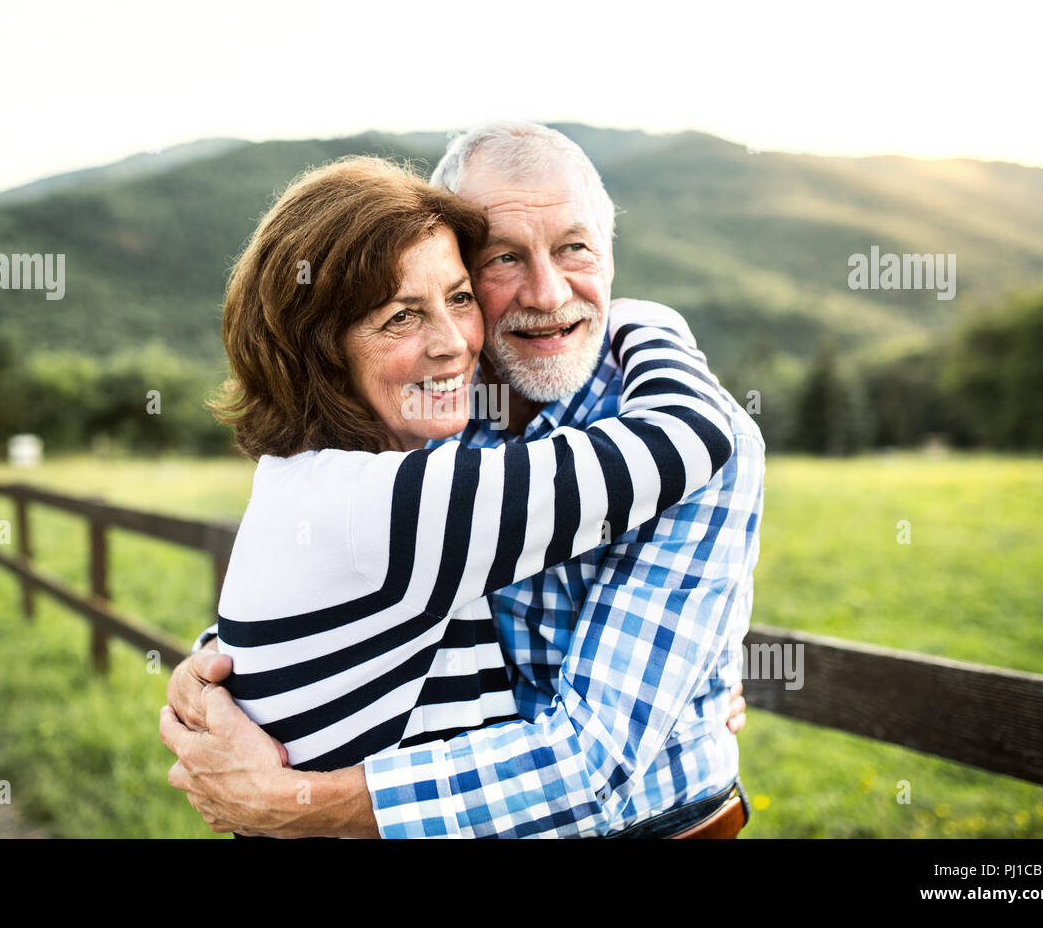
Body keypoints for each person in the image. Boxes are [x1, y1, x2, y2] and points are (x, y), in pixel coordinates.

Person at [162, 122, 765, 838]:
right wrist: (217, 675)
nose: (547, 292)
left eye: (575, 247)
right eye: (505, 258)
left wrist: (296, 803)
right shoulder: (431, 405)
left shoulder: (705, 442)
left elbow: (593, 763)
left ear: (610, 256)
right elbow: (343, 579)